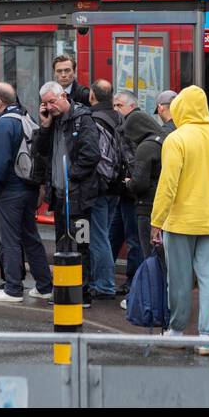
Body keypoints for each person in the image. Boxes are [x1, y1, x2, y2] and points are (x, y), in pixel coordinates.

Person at [151, 85, 209, 354]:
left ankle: (176, 330)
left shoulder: (176, 139)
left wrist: (157, 220)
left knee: (180, 280)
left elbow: (168, 184)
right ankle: (206, 337)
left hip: (181, 220)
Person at [0, 82, 53, 302]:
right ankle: (44, 285)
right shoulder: (26, 118)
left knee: (10, 240)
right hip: (28, 188)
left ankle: (13, 289)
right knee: (30, 237)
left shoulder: (4, 125)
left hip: (9, 191)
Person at [34, 80, 102, 303]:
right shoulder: (52, 122)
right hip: (60, 195)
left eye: (52, 102)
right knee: (62, 245)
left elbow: (91, 155)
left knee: (81, 246)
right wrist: (44, 125)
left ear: (63, 96)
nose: (50, 107)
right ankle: (64, 290)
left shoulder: (83, 119)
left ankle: (81, 293)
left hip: (78, 195)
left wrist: (70, 175)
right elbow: (40, 152)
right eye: (45, 104)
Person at [111, 90, 151, 282]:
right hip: (123, 191)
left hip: (133, 192)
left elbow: (135, 161)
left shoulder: (134, 127)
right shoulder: (123, 125)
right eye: (114, 106)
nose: (116, 110)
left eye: (119, 106)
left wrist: (131, 182)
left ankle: (134, 282)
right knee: (115, 235)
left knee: (134, 239)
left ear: (132, 107)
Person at [87, 79, 121, 301]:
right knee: (105, 235)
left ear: (92, 96)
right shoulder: (119, 117)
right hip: (117, 185)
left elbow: (94, 155)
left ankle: (105, 284)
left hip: (100, 186)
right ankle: (103, 281)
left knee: (99, 238)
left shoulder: (93, 120)